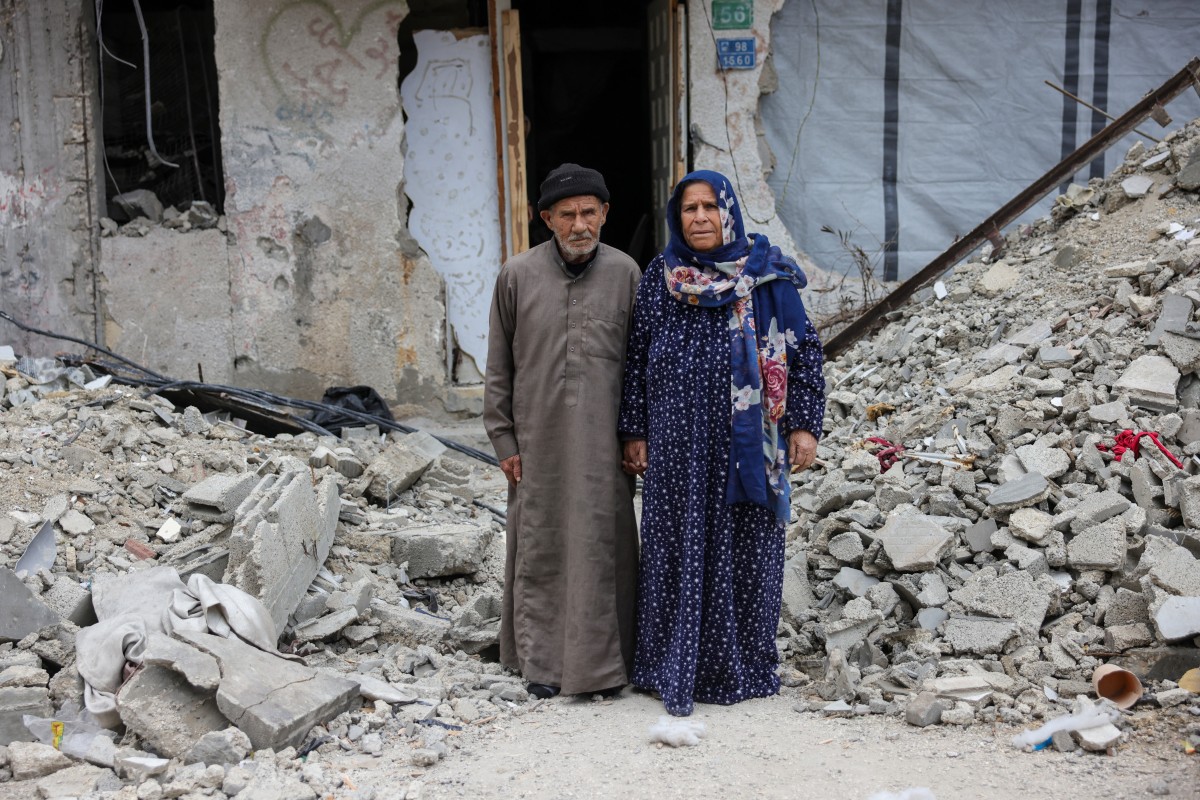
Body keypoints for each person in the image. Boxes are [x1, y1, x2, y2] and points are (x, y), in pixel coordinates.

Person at [618, 170, 826, 716]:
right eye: (690, 209)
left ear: (729, 211)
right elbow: (636, 358)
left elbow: (804, 355)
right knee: (674, 547)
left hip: (749, 448)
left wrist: (804, 425)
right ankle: (669, 662)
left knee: (745, 547)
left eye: (711, 207)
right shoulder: (662, 276)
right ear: (677, 217)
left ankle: (740, 664)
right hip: (676, 444)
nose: (701, 218)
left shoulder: (768, 276)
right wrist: (635, 430)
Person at [484, 163, 641, 700]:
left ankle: (604, 667)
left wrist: (635, 435)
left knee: (604, 545)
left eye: (589, 213)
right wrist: (503, 440)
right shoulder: (516, 275)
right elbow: (499, 366)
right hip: (538, 441)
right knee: (541, 543)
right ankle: (543, 664)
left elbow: (640, 367)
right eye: (567, 214)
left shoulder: (626, 273)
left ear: (604, 215)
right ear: (545, 218)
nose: (580, 225)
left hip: (604, 445)